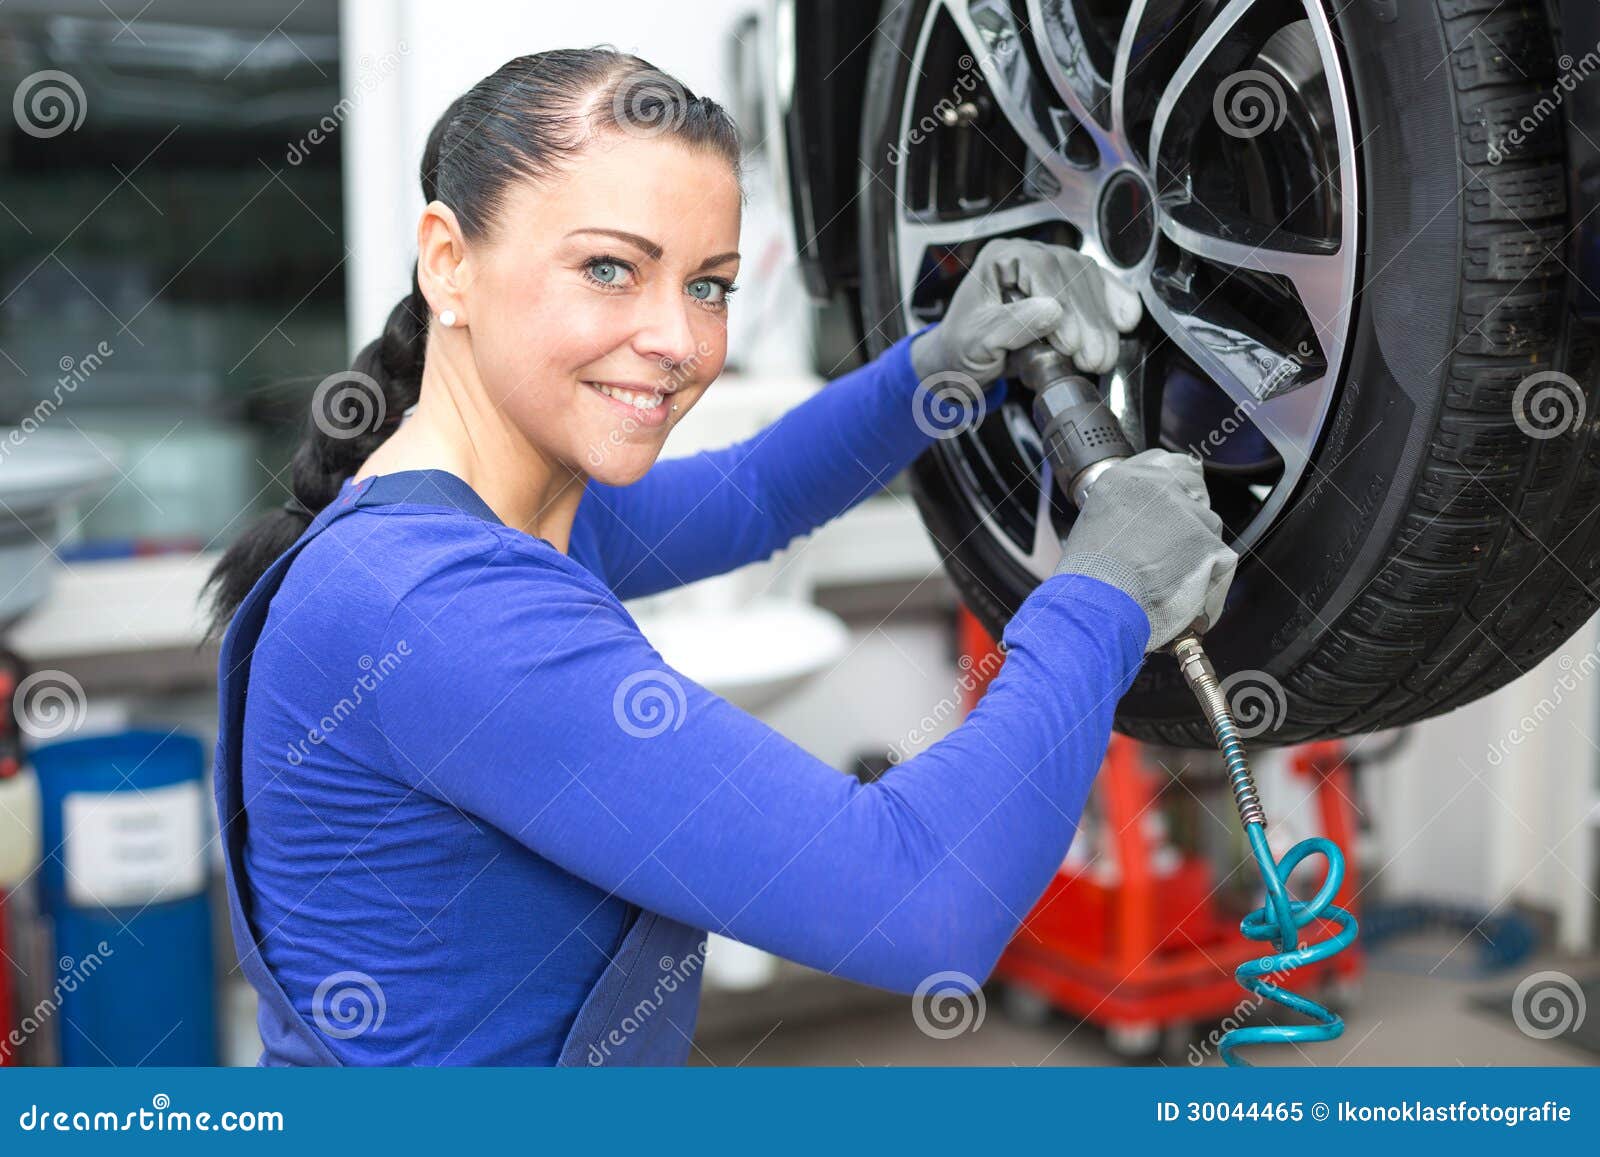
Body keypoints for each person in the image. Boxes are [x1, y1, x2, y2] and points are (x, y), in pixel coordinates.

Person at [205, 47, 1236, 1066]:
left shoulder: (479, 515)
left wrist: (940, 361)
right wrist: (1099, 594)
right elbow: (925, 903)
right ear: (448, 262)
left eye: (708, 285)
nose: (678, 339)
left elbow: (754, 494)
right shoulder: (438, 610)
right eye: (609, 267)